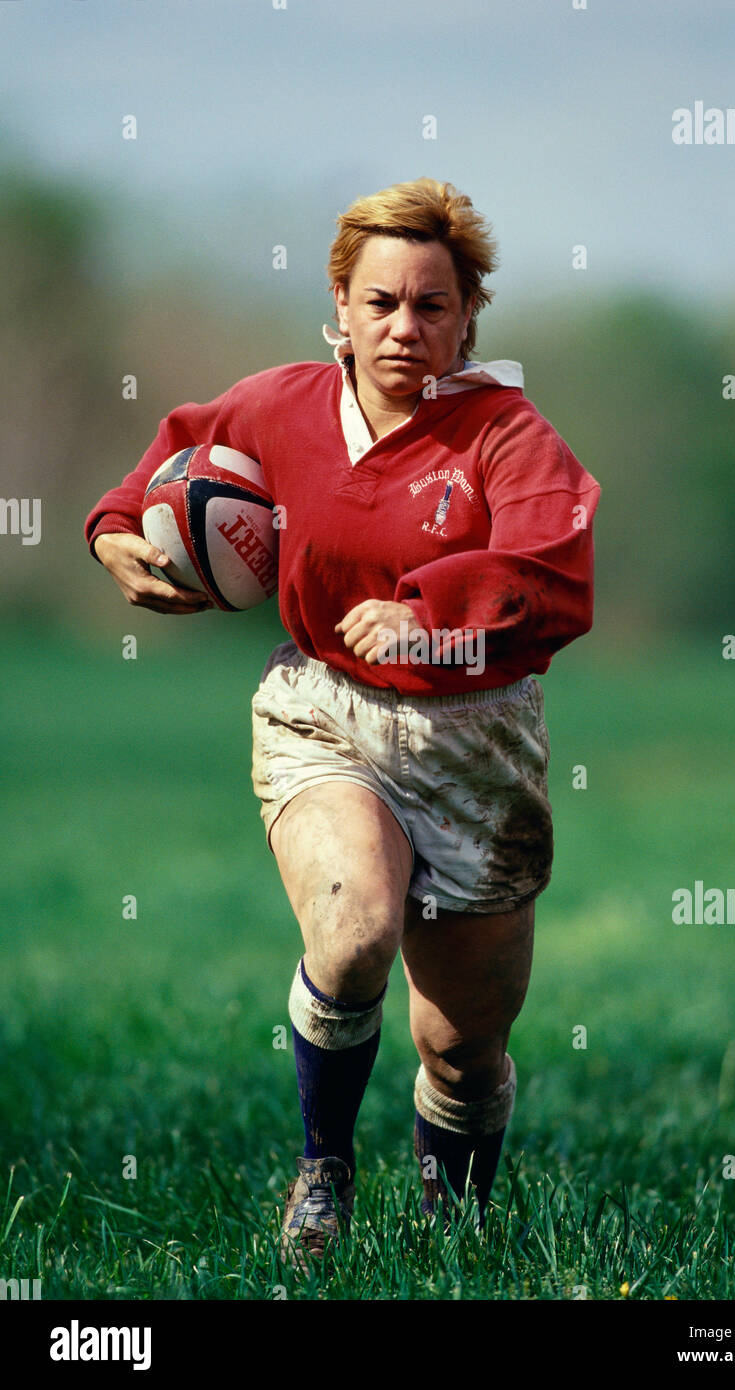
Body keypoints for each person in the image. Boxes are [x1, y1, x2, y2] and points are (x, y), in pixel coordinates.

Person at [84, 177, 601, 1270]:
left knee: (461, 1048)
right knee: (353, 927)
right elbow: (175, 457)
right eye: (380, 303)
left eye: (430, 305)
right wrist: (115, 532)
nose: (403, 328)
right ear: (340, 306)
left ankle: (454, 1236)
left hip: (476, 740)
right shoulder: (281, 404)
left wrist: (425, 615)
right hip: (326, 713)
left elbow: (553, 576)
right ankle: (325, 1168)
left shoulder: (508, 435)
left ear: (467, 318)